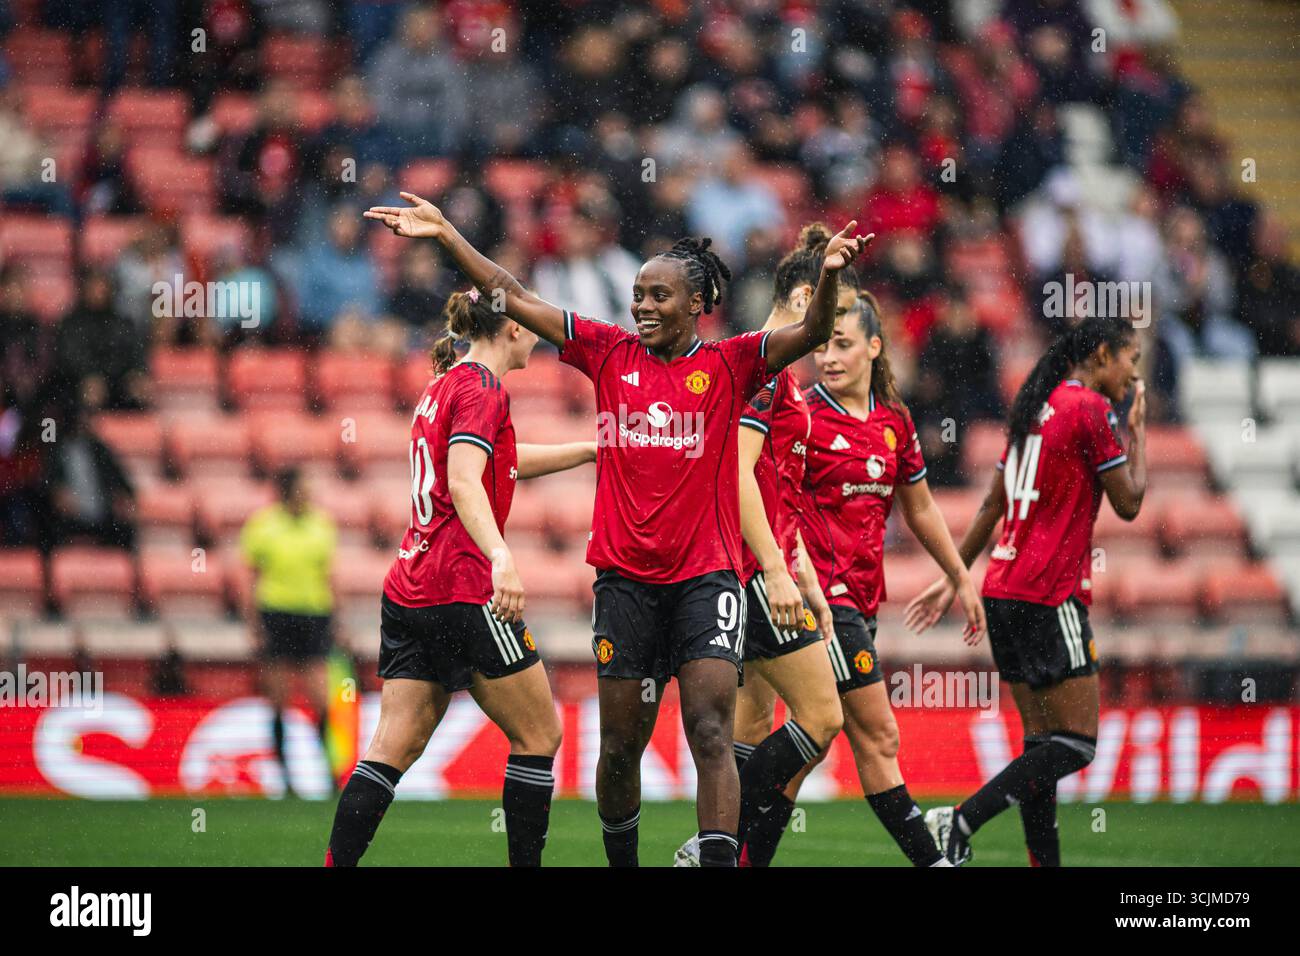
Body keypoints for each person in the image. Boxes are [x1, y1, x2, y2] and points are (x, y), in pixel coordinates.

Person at [362, 191, 869, 866]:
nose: (643, 306)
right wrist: (448, 233)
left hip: (706, 581)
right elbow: (510, 293)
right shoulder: (606, 351)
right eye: (638, 294)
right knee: (620, 748)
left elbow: (808, 333)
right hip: (625, 585)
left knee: (711, 731)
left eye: (660, 296)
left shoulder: (730, 363)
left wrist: (829, 275)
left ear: (698, 305)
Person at [325, 288, 596, 867]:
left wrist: (591, 451)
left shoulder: (444, 384)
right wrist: (501, 556)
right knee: (540, 736)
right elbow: (467, 479)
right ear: (514, 328)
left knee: (391, 748)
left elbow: (505, 461)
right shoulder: (484, 389)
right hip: (463, 588)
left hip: (410, 587)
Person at [715, 288, 986, 867]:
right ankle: (932, 860)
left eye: (842, 345)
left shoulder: (894, 422)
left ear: (874, 347)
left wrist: (960, 575)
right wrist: (788, 571)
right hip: (819, 601)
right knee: (876, 736)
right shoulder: (804, 413)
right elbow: (771, 489)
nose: (828, 357)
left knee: (806, 751)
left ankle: (733, 853)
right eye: (824, 346)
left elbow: (920, 508)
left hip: (862, 602)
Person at [907, 315, 1146, 866]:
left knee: (1041, 747)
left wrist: (955, 579)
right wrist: (1139, 432)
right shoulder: (1091, 410)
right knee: (1078, 742)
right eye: (1131, 359)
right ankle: (963, 818)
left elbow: (993, 505)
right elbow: (1131, 504)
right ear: (1104, 355)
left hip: (1002, 592)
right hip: (1048, 593)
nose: (1134, 373)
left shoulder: (1031, 407)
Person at [240, 467, 337, 794]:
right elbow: (249, 576)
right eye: (302, 487)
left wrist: (338, 616)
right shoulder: (263, 525)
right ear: (287, 490)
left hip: (314, 615)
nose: (307, 493)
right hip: (276, 615)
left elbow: (328, 574)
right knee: (279, 700)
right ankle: (285, 780)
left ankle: (328, 773)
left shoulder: (322, 523)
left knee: (321, 698)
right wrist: (253, 623)